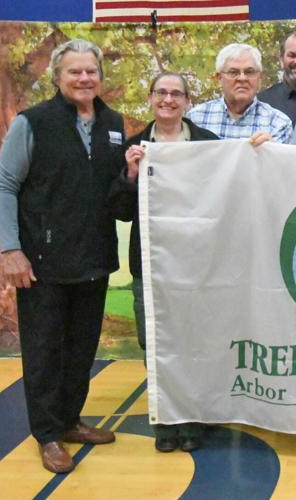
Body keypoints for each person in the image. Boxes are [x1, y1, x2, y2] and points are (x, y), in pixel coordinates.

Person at [0, 39, 123, 473]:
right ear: (57, 77)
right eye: (75, 72)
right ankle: (47, 434)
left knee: (81, 347)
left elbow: (116, 189)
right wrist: (12, 250)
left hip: (93, 259)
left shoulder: (114, 123)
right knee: (45, 349)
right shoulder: (32, 122)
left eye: (91, 71)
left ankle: (70, 421)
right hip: (41, 263)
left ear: (100, 76)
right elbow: (4, 186)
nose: (84, 79)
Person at [109, 72, 236, 453]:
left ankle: (194, 417)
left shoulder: (208, 144)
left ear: (187, 101)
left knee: (195, 341)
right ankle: (165, 420)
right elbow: (120, 212)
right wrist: (131, 175)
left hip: (199, 265)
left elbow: (225, 196)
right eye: (161, 92)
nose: (168, 99)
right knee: (156, 343)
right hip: (150, 266)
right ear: (150, 99)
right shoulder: (134, 146)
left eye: (176, 94)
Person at [187, 43, 292, 142]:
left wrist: (271, 150)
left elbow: (283, 161)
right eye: (233, 72)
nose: (242, 78)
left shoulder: (278, 123)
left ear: (260, 77)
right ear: (219, 78)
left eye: (249, 72)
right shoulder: (196, 119)